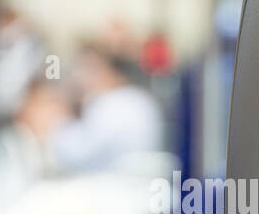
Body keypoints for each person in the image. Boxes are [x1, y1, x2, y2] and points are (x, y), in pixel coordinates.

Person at [17, 40, 163, 174]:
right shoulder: (139, 98)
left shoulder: (107, 105)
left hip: (115, 185)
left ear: (106, 69)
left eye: (87, 69)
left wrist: (54, 123)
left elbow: (79, 155)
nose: (81, 77)